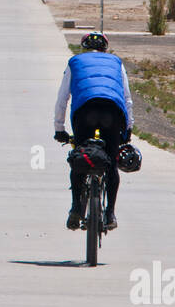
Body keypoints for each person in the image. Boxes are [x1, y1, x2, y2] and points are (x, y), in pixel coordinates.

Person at [53, 32, 133, 232]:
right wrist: (128, 127)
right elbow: (127, 97)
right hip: (111, 112)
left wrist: (59, 129)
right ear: (105, 48)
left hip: (85, 112)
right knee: (112, 163)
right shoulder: (116, 63)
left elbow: (63, 98)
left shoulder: (75, 62)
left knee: (79, 157)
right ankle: (110, 213)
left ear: (84, 48)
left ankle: (76, 208)